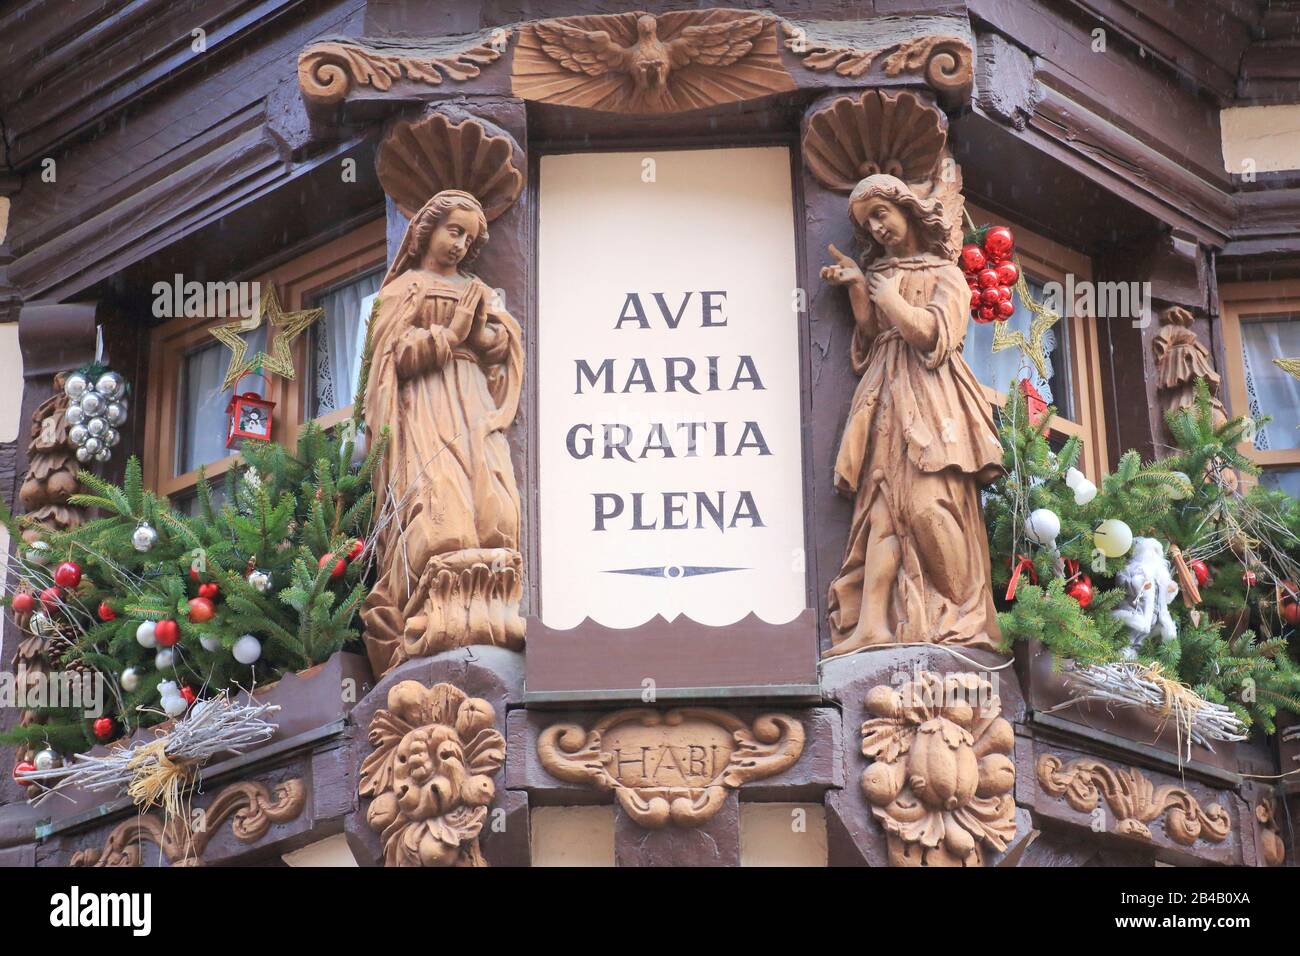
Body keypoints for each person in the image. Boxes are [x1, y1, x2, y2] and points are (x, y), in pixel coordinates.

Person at [820, 174, 1003, 655]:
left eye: (881, 214)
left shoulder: (946, 274)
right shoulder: (883, 275)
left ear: (907, 210)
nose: (877, 229)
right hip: (884, 397)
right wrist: (862, 288)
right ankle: (873, 624)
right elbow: (873, 334)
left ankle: (953, 609)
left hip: (931, 398)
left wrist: (893, 301)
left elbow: (933, 336)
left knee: (926, 504)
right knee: (882, 508)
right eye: (867, 224)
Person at [361, 189, 525, 675]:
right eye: (453, 231)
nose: (459, 245)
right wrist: (448, 336)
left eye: (468, 239)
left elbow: (500, 345)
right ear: (427, 229)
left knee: (491, 499)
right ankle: (430, 594)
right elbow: (391, 362)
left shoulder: (477, 288)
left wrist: (482, 336)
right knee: (440, 502)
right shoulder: (403, 289)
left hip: (473, 400)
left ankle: (490, 587)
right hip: (425, 408)